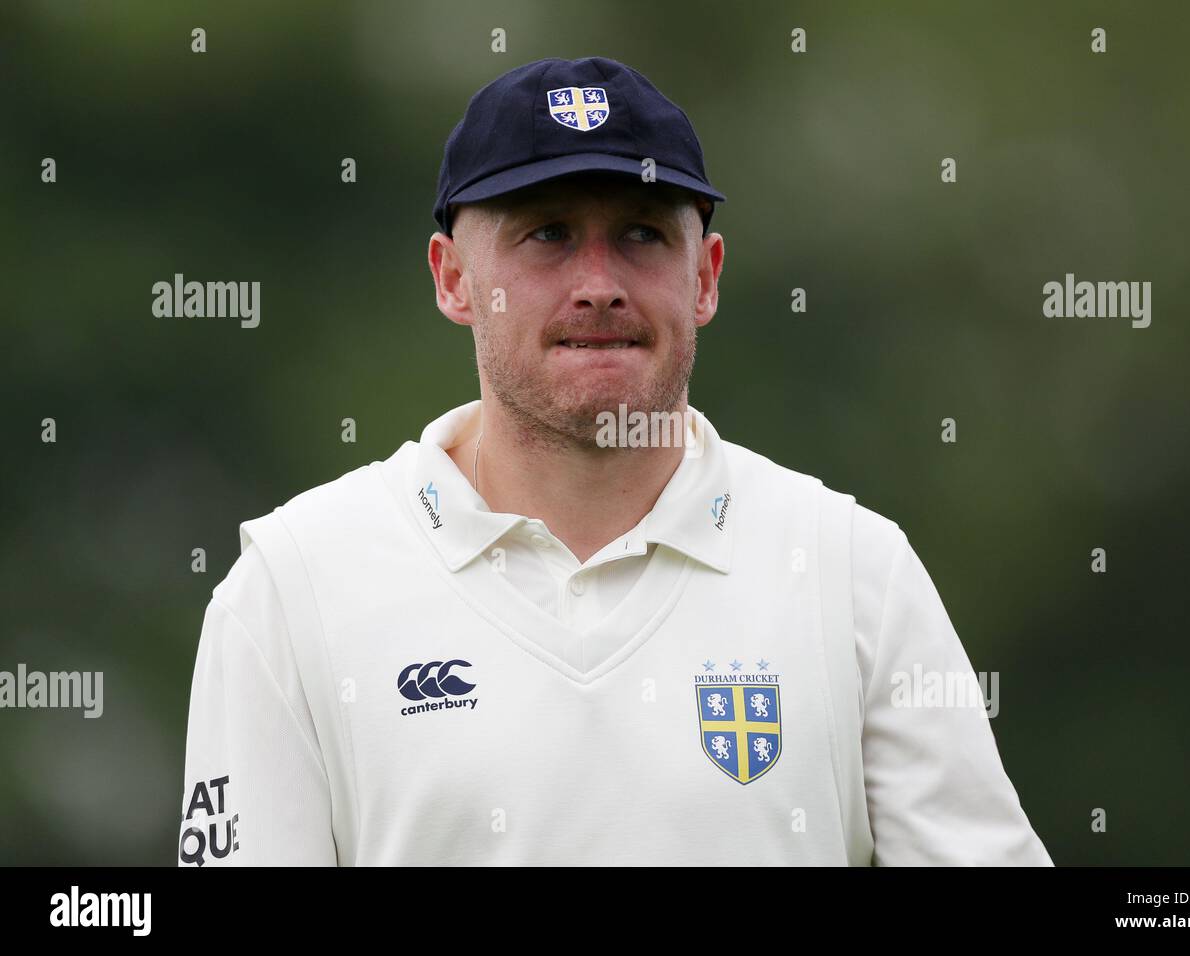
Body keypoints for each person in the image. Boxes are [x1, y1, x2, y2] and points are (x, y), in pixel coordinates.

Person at [177, 56, 1052, 866]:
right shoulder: (293, 589)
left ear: (704, 277)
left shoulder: (853, 571)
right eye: (547, 235)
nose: (599, 282)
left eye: (640, 234)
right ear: (452, 278)